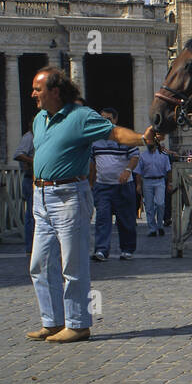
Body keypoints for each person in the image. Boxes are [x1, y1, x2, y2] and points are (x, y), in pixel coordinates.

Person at [27, 68, 155, 343]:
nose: (33, 94)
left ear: (55, 91)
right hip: (41, 197)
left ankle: (78, 323)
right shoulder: (39, 119)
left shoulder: (81, 116)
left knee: (72, 264)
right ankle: (52, 321)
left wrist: (143, 139)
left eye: (38, 89)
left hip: (69, 195)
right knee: (40, 263)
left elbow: (116, 133)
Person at [91, 106, 140, 262]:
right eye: (102, 119)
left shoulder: (124, 137)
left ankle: (127, 249)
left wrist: (127, 170)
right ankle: (101, 250)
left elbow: (135, 157)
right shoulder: (94, 139)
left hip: (123, 185)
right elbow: (91, 163)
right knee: (102, 219)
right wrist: (90, 183)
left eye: (108, 119)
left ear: (115, 120)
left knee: (126, 219)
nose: (105, 122)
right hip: (102, 185)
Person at [137, 135, 172, 236]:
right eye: (148, 142)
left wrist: (170, 183)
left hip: (160, 181)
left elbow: (168, 170)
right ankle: (152, 228)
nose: (149, 144)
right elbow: (138, 172)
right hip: (147, 181)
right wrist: (138, 185)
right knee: (149, 206)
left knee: (160, 203)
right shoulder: (142, 156)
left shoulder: (163, 155)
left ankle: (160, 225)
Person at [14, 129, 35, 254]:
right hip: (30, 179)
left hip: (35, 179)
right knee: (32, 215)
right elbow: (18, 154)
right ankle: (31, 247)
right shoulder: (29, 137)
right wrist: (35, 162)